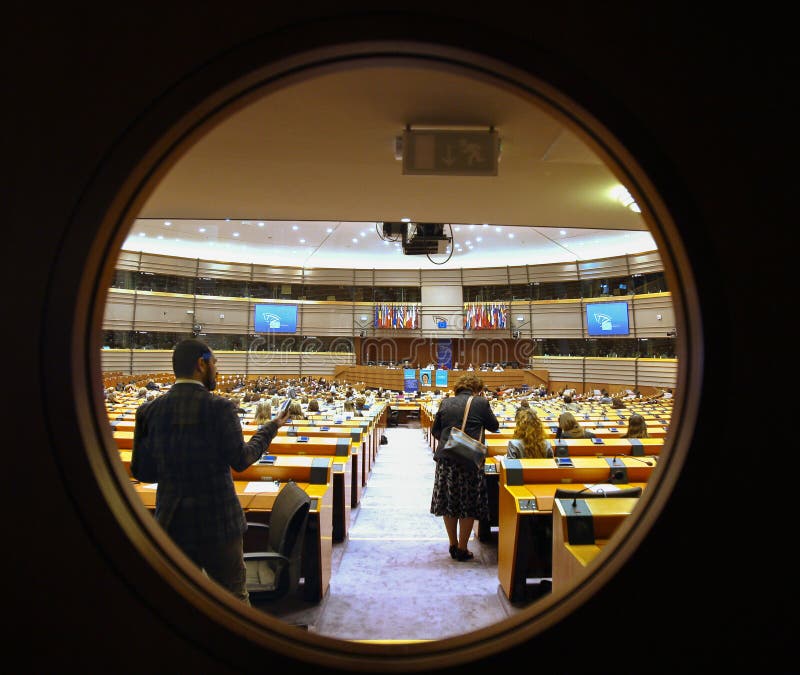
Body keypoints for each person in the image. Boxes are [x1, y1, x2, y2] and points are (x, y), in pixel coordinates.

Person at [130, 338, 290, 605]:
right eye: (215, 363)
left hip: (171, 523)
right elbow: (241, 460)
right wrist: (270, 428)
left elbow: (143, 472)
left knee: (180, 599)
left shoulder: (148, 411)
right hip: (218, 524)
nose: (218, 369)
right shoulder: (220, 408)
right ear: (201, 364)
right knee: (234, 599)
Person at [430, 373, 499, 562]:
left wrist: (452, 442)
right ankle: (462, 548)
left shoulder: (446, 403)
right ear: (478, 388)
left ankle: (452, 544)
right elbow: (494, 426)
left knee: (448, 501)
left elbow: (436, 430)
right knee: (468, 503)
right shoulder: (480, 403)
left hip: (447, 459)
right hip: (470, 460)